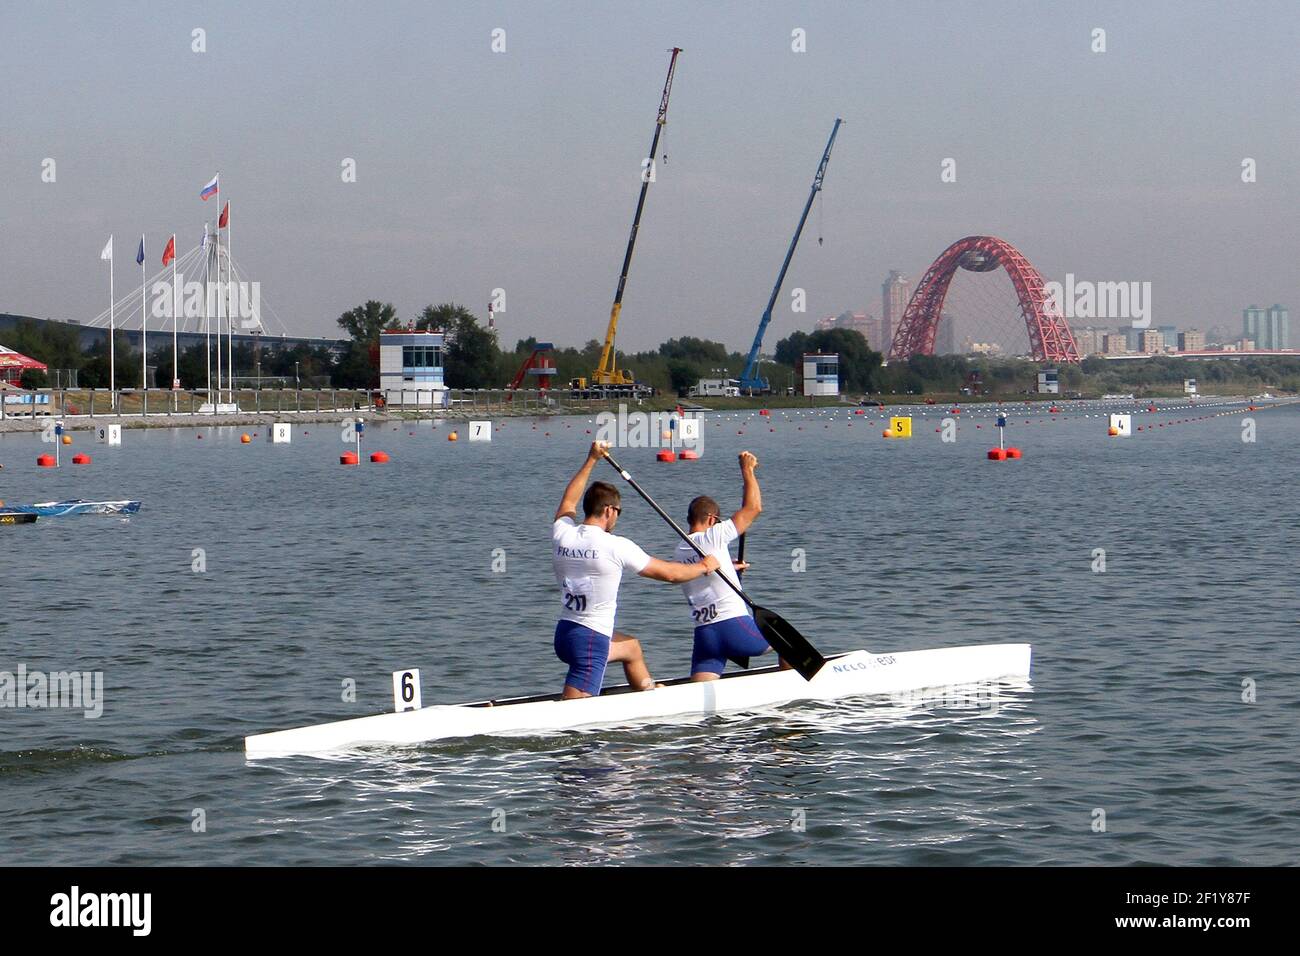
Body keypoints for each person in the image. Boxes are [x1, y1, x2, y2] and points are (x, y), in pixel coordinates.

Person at [553, 441, 720, 699]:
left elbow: (568, 500)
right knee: (573, 728)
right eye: (618, 511)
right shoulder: (616, 546)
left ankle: (650, 694)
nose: (618, 517)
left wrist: (591, 459)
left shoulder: (562, 533)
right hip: (590, 641)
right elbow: (670, 574)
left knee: (631, 647)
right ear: (609, 510)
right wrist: (704, 566)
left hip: (565, 633)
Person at [676, 450, 779, 680]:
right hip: (733, 627)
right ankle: (795, 698)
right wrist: (747, 470)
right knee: (787, 641)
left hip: (705, 635)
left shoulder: (680, 549)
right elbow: (753, 508)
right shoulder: (712, 537)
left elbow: (704, 571)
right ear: (712, 520)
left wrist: (729, 568)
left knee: (700, 690)